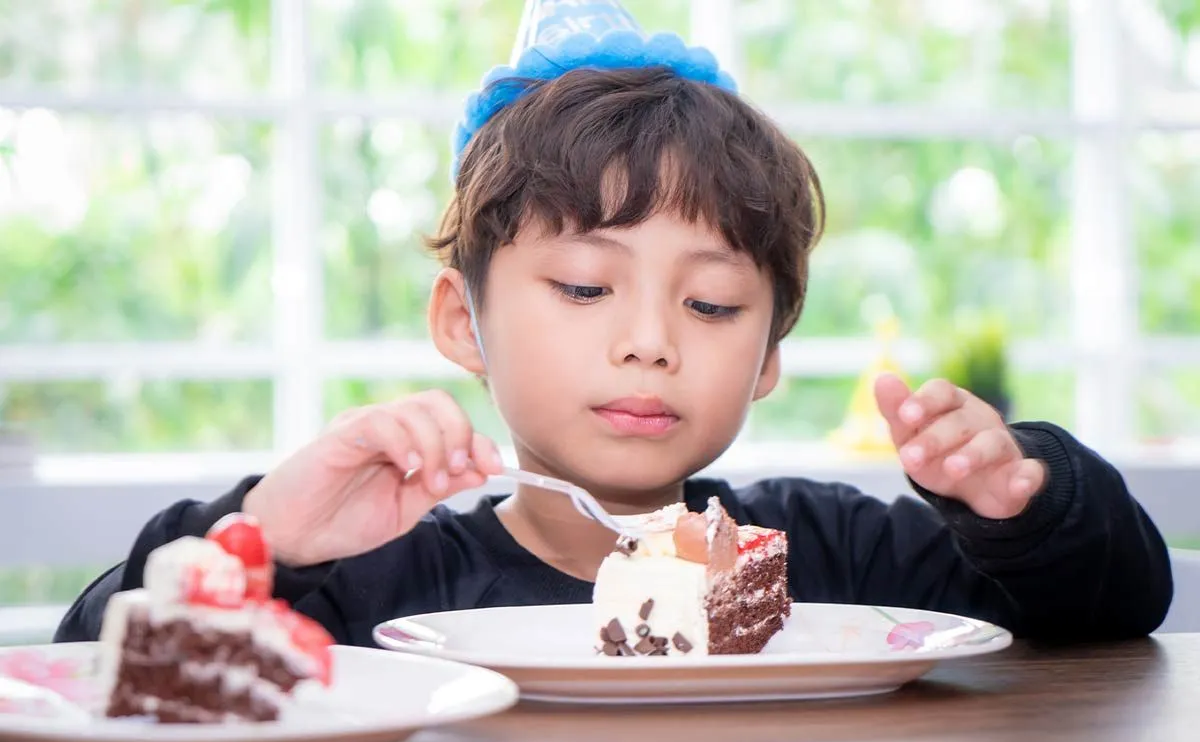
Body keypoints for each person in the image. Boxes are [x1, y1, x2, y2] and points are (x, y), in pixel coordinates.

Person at [56, 0, 1172, 647]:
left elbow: (1115, 609)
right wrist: (262, 534)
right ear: (462, 321)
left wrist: (1026, 498)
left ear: (772, 353)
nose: (651, 340)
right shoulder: (374, 584)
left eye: (714, 304)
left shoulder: (830, 555)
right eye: (586, 288)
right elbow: (99, 659)